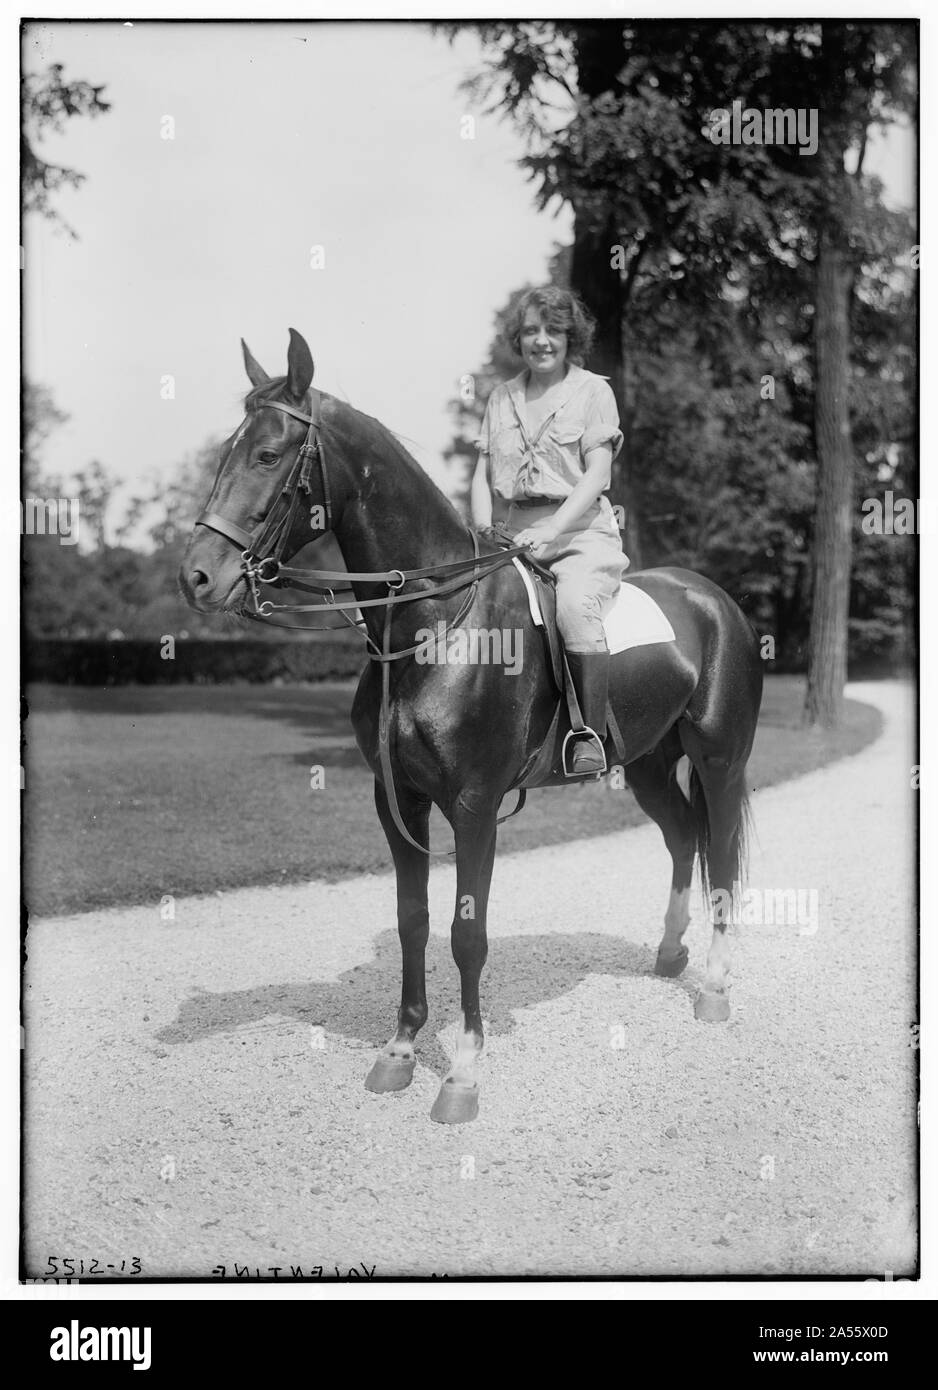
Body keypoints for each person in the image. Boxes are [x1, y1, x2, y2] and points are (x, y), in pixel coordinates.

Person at [470, 285, 628, 776]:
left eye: (553, 330)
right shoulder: (501, 397)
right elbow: (481, 476)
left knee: (577, 610)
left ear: (569, 336)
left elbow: (598, 475)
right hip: (513, 536)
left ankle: (589, 736)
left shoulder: (593, 391)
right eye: (531, 330)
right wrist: (481, 535)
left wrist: (553, 529)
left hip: (580, 534)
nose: (542, 341)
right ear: (518, 338)